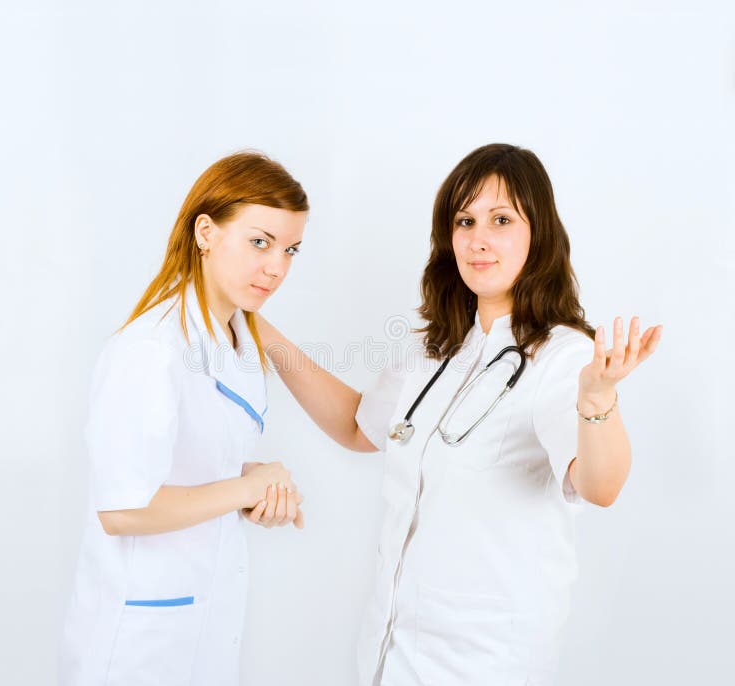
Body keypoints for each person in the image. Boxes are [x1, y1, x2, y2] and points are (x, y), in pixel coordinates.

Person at [255, 143, 662, 685]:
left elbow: (600, 485)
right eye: (464, 221)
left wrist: (597, 403)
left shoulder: (564, 356)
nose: (478, 239)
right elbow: (359, 426)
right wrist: (261, 332)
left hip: (486, 659)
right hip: (390, 650)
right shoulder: (436, 350)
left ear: (537, 234)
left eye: (501, 220)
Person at [59, 151, 308, 686]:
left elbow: (202, 468)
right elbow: (122, 509)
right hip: (138, 650)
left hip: (202, 628)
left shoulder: (236, 340)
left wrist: (253, 492)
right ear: (206, 232)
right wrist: (246, 488)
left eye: (290, 249)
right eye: (260, 242)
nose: (277, 267)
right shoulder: (151, 349)